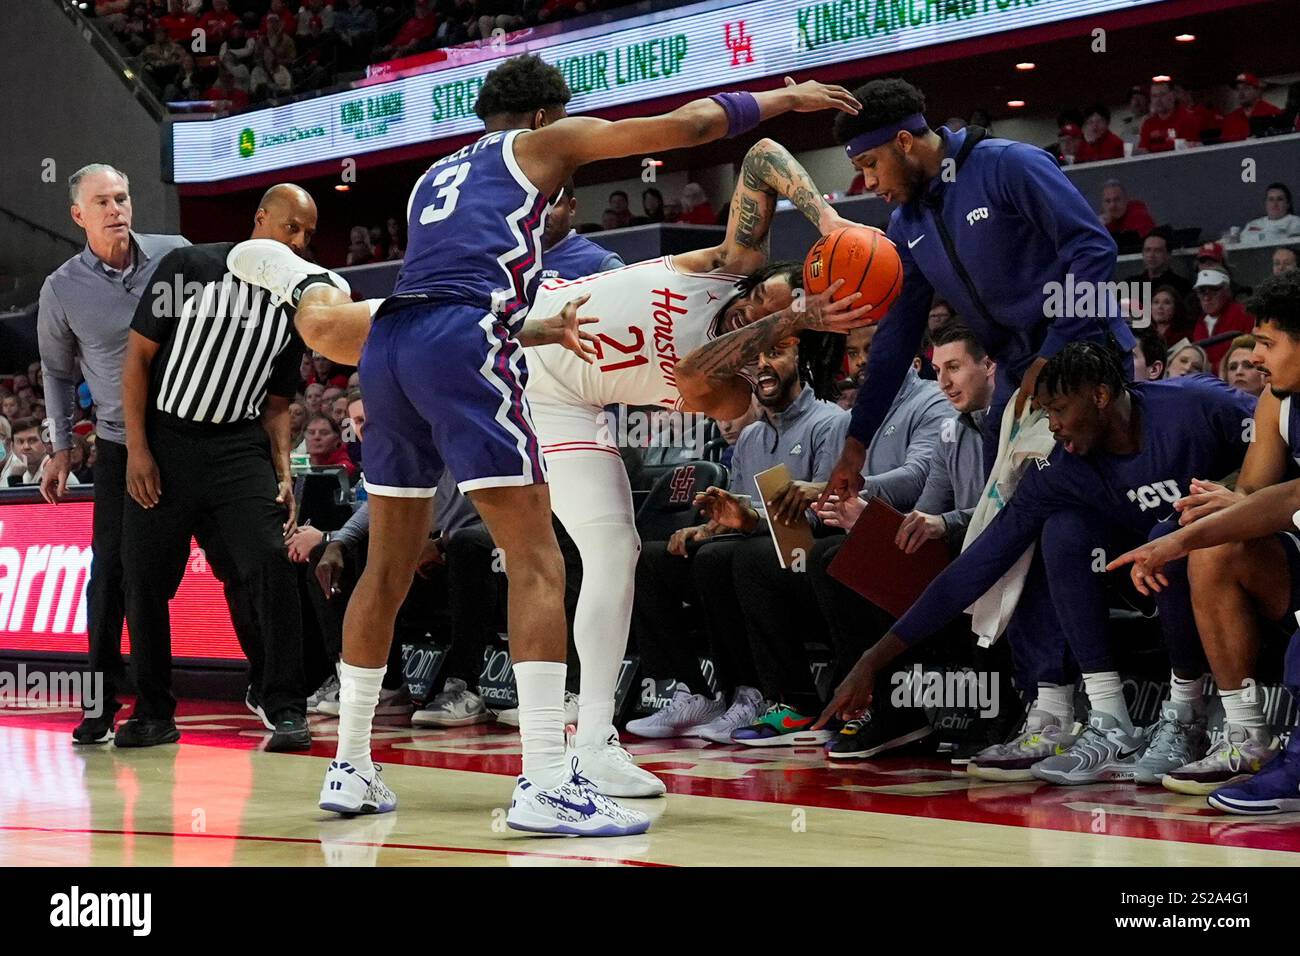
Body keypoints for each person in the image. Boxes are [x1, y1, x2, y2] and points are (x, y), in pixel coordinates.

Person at [225, 53, 860, 834]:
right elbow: (692, 125)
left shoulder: (436, 177)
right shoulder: (541, 148)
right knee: (537, 562)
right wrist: (782, 96)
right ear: (542, 118)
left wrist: (536, 322)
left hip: (409, 342)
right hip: (474, 349)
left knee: (390, 564)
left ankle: (356, 767)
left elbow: (462, 286)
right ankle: (547, 780)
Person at [819, 342, 1255, 787]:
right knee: (1062, 530)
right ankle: (1109, 719)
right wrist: (873, 660)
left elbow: (1282, 450)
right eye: (1045, 413)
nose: (1053, 426)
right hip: (1134, 568)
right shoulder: (1060, 467)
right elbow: (977, 567)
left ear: (1100, 396)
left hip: (1234, 559)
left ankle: (1188, 715)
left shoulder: (1200, 405)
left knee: (1173, 534)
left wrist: (1239, 494)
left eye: (1059, 410)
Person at [824, 77, 1136, 504]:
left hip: (1084, 351)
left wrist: (1054, 351)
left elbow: (1093, 247)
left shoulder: (1008, 164)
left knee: (1096, 504)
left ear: (904, 142)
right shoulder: (904, 224)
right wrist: (857, 441)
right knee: (1009, 510)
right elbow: (897, 333)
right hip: (1017, 367)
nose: (869, 182)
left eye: (871, 164)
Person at [115, 184, 320, 751]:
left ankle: (284, 705)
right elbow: (135, 358)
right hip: (167, 440)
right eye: (291, 229)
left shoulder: (298, 299)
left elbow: (278, 405)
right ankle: (154, 711)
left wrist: (282, 468)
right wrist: (138, 450)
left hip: (237, 446)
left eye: (308, 235)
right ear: (261, 221)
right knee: (146, 581)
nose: (300, 242)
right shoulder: (189, 266)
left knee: (270, 563)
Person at [1107, 271, 1300, 813]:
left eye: (1268, 343)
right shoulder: (1276, 402)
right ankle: (1245, 737)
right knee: (1211, 545)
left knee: (1197, 538)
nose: (1257, 356)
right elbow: (1260, 499)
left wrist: (1178, 541)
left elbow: (1284, 502)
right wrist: (1219, 508)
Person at [37, 164, 194, 744]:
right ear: (79, 215)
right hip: (119, 446)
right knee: (112, 578)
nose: (116, 209)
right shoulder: (61, 287)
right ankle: (101, 705)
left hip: (191, 438)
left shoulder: (176, 255)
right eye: (102, 201)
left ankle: (268, 693)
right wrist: (58, 447)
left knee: (227, 566)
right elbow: (55, 373)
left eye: (123, 197)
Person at [538, 180, 624, 279]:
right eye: (535, 204)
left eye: (553, 203)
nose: (543, 212)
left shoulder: (599, 263)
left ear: (571, 207)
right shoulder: (519, 257)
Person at [1192, 267, 1255, 367]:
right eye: (1202, 291)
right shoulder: (1199, 323)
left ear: (1227, 290)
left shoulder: (1244, 315)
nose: (1207, 297)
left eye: (1213, 290)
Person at [1219, 72, 1283, 143]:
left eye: (1246, 88)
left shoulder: (1273, 112)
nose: (1241, 93)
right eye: (1238, 89)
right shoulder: (1230, 119)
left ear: (1257, 91)